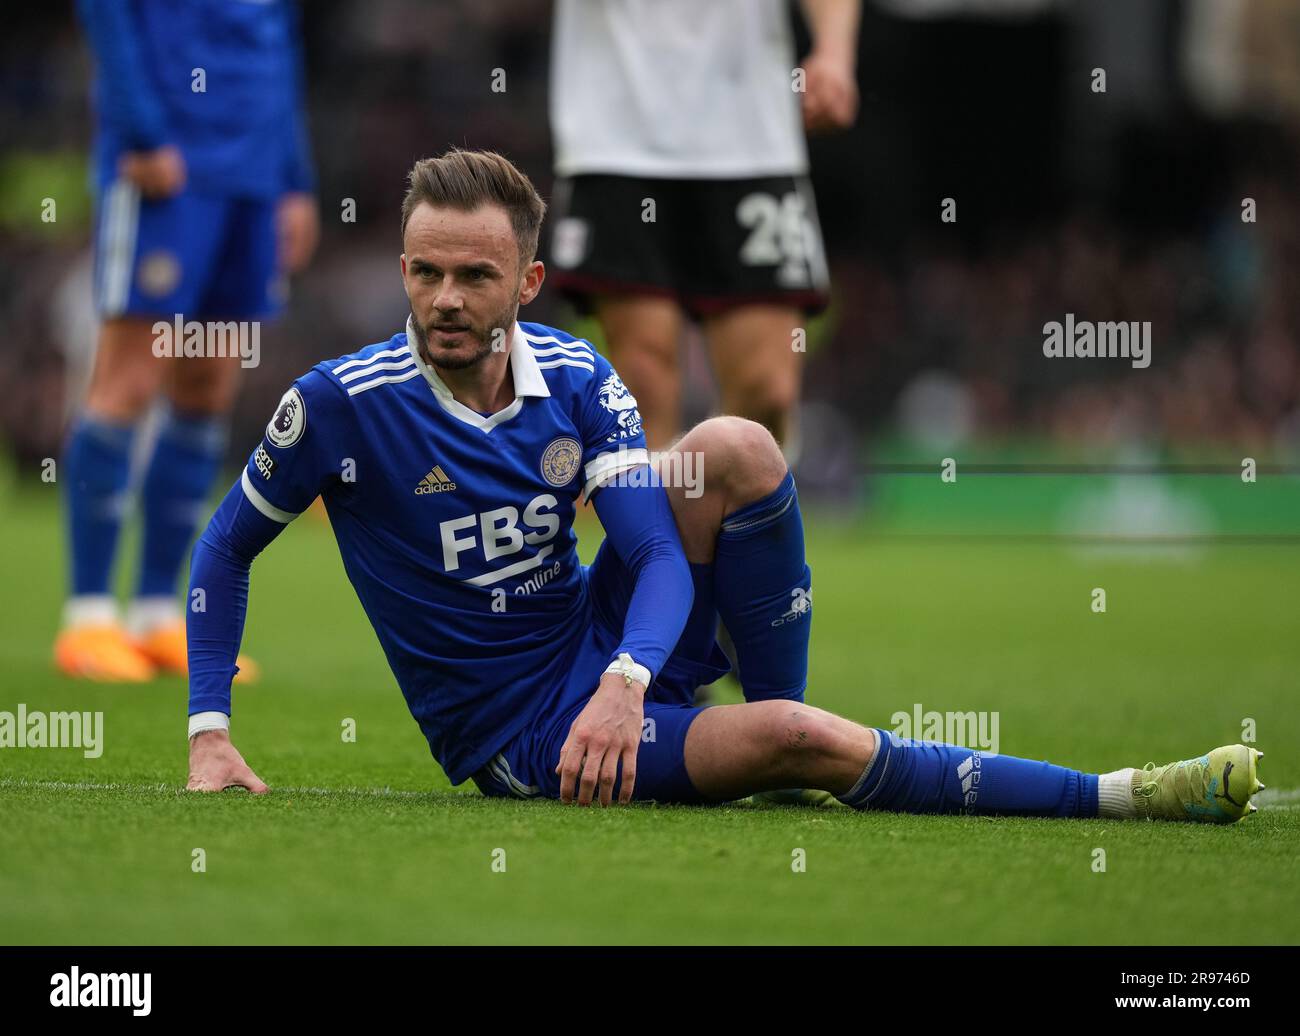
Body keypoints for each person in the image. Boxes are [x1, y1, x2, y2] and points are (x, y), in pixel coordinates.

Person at [185, 150, 1262, 825]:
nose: (445, 298)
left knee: (739, 442)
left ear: (527, 282)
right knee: (805, 741)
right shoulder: (339, 403)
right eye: (425, 272)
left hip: (598, 645)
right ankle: (1120, 794)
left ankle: (761, 715)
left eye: (474, 275)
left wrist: (625, 675)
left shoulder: (573, 374)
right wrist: (209, 728)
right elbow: (226, 544)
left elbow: (653, 549)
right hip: (521, 732)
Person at [56, 0, 319, 681]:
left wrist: (293, 179)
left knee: (206, 386)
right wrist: (139, 131)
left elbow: (276, 40)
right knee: (129, 380)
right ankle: (86, 618)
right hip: (168, 165)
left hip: (253, 179)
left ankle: (154, 613)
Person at [546, 0, 860, 454]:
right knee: (643, 385)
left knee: (768, 394)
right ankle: (658, 525)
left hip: (752, 135)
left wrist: (834, 53)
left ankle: (705, 507)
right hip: (617, 133)